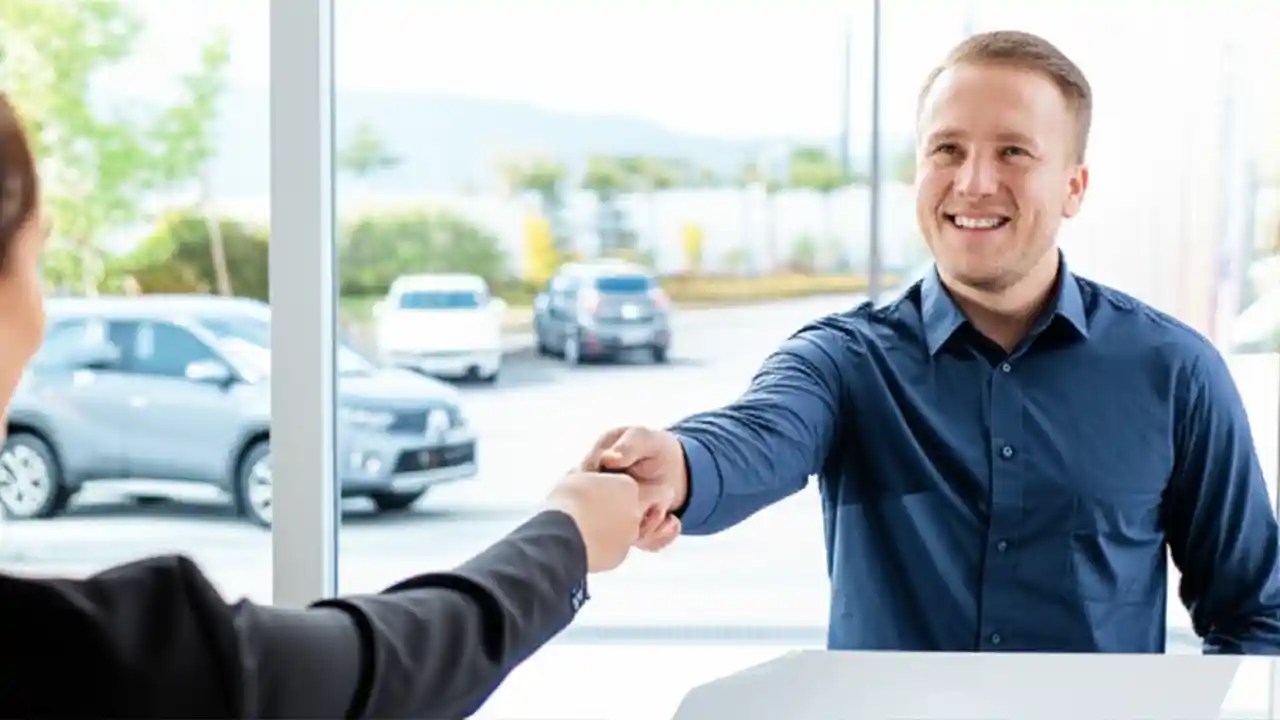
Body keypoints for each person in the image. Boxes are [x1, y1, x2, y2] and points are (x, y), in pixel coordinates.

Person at [581, 30, 1280, 654]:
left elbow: (1255, 615)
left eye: (1013, 151)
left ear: (1074, 187)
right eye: (947, 149)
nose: (974, 183)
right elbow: (757, 434)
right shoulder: (845, 362)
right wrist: (676, 462)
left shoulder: (1175, 374)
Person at [0, 93, 646, 718]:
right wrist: (569, 536)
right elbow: (381, 670)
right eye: (37, 259)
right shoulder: (77, 658)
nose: (43, 315)